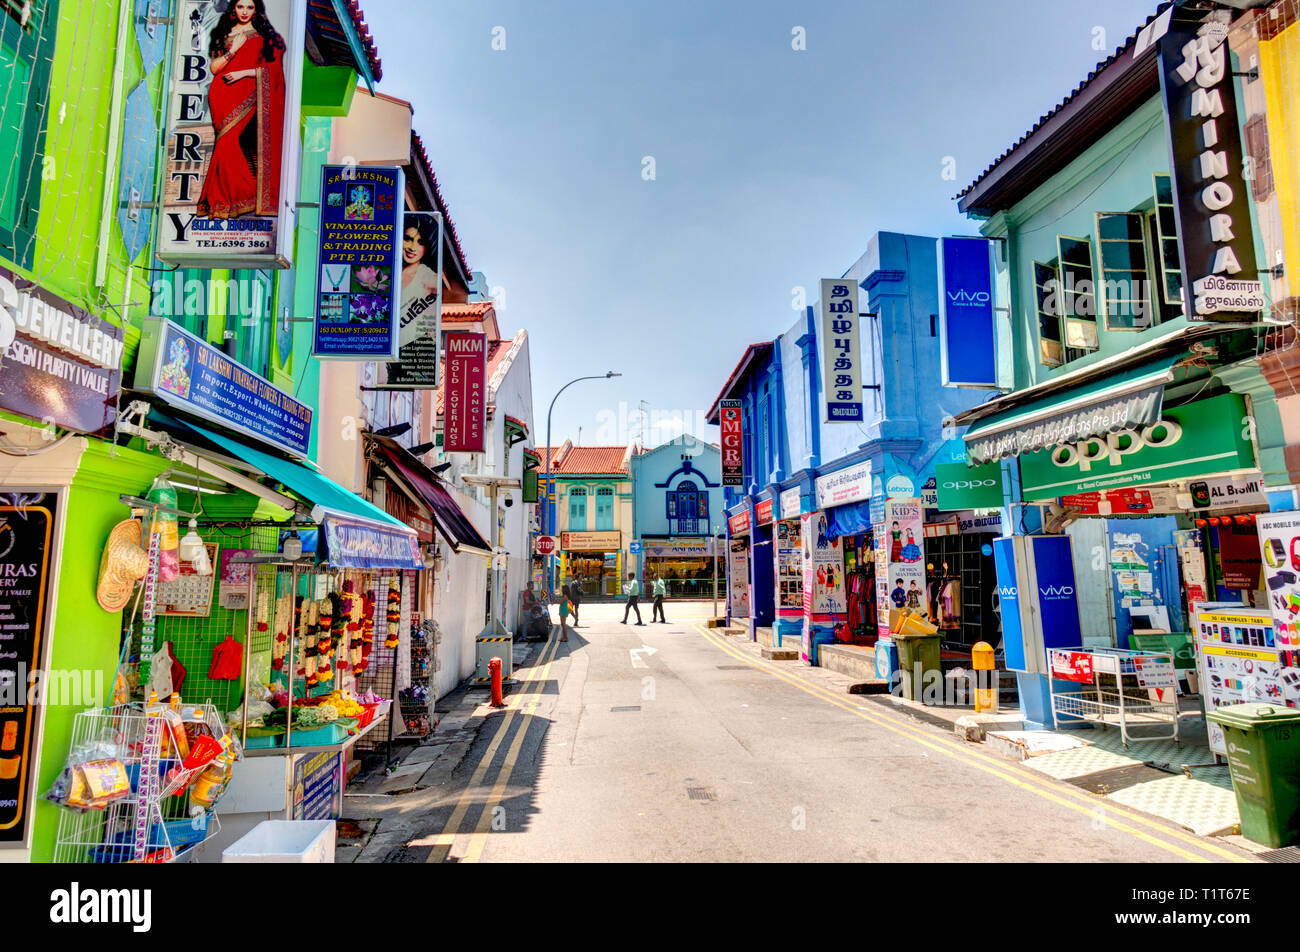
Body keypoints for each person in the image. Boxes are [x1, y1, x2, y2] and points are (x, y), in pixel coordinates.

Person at [197, 0, 287, 220]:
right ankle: (236, 198)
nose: (245, 12)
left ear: (256, 10)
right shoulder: (224, 33)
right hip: (221, 92)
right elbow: (215, 68)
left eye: (250, 7)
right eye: (240, 7)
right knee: (225, 143)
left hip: (247, 91)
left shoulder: (266, 37)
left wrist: (243, 73)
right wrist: (233, 51)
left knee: (228, 142)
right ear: (233, 9)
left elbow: (271, 71)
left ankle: (235, 197)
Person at [398, 213, 441, 349]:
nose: (412, 247)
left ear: (427, 247)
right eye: (408, 239)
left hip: (412, 353)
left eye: (420, 242)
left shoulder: (427, 277)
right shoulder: (388, 274)